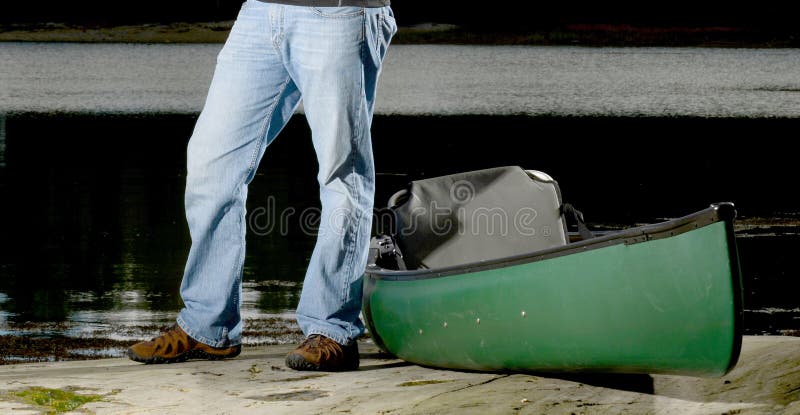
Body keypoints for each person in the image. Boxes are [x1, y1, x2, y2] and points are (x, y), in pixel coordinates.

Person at [127, 0, 396, 371]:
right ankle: (209, 326)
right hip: (260, 12)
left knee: (341, 175)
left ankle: (333, 329)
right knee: (212, 162)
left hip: (338, 13)